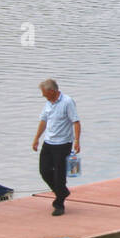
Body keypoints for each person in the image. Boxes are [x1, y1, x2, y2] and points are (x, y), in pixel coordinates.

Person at [32, 79, 80, 216]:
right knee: (44, 170)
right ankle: (62, 192)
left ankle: (59, 204)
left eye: (44, 93)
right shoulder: (48, 103)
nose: (43, 95)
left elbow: (76, 122)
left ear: (52, 91)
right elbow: (43, 121)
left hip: (63, 144)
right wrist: (36, 139)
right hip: (48, 143)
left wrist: (77, 141)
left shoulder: (67, 102)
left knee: (59, 175)